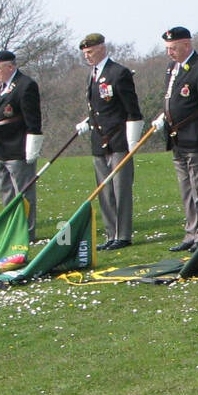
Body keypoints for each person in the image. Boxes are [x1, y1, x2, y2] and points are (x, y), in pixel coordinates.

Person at [75, 33, 143, 251]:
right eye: (85, 53)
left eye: (91, 51)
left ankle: (122, 234)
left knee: (120, 188)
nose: (88, 56)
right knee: (104, 189)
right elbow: (99, 107)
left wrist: (132, 140)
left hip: (118, 139)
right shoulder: (92, 75)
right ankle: (110, 232)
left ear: (102, 49)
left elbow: (132, 109)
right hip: (99, 140)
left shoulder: (118, 73)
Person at [161, 27, 198, 252]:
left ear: (187, 45)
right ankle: (191, 232)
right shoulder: (172, 68)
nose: (170, 52)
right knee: (186, 190)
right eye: (168, 48)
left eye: (173, 48)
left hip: (196, 138)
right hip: (177, 139)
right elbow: (172, 98)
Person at [0, 50, 42, 243]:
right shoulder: (0, 87)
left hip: (18, 147)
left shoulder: (25, 85)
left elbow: (33, 119)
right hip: (1, 149)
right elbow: (0, 114)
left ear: (10, 67)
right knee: (6, 193)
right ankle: (12, 229)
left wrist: (33, 144)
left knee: (24, 193)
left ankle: (27, 233)